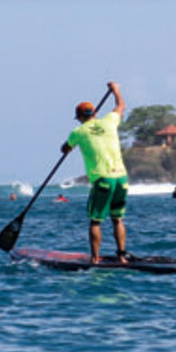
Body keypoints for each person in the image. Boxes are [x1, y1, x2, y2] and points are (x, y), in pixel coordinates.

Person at [61, 81, 129, 264]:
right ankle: (122, 257)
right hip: (121, 178)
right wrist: (116, 90)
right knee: (117, 219)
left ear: (79, 117)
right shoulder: (110, 121)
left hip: (103, 180)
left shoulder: (78, 132)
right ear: (95, 113)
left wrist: (67, 146)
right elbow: (121, 106)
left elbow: (65, 149)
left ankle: (94, 259)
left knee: (95, 221)